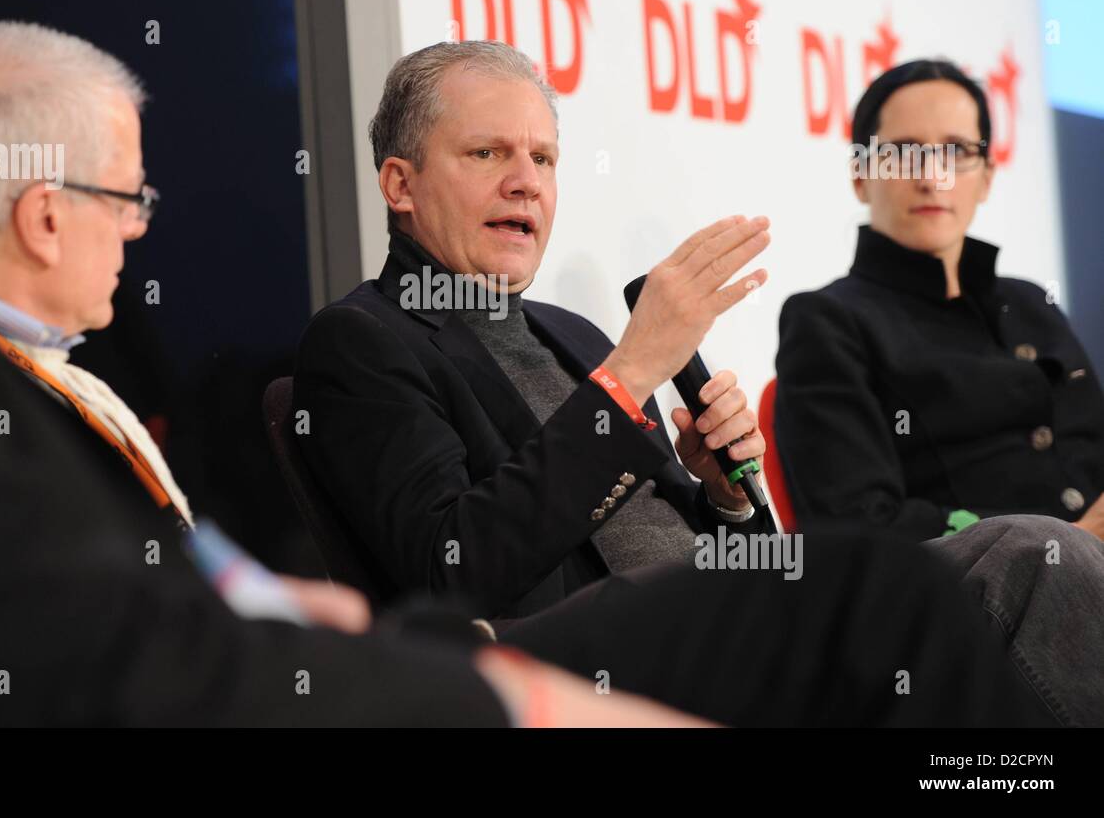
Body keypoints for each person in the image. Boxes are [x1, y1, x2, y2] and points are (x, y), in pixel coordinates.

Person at [0, 0, 689, 727]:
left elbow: (174, 594)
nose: (143, 228)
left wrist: (725, 494)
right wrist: (499, 698)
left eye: (542, 158)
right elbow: (128, 644)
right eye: (128, 198)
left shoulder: (23, 377)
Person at [293, 39, 1100, 725]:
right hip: (565, 656)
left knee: (1010, 583)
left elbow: (743, 559)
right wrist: (634, 370)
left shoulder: (570, 334)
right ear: (399, 185)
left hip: (716, 626)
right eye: (487, 153)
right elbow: (453, 569)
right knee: (1024, 555)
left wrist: (724, 499)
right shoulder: (363, 340)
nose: (526, 181)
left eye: (542, 157)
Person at [774, 58, 1104, 542]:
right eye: (904, 153)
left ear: (987, 176)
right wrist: (1075, 541)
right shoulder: (827, 321)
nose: (933, 178)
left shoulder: (1032, 303)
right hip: (985, 604)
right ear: (861, 175)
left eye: (956, 151)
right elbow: (859, 529)